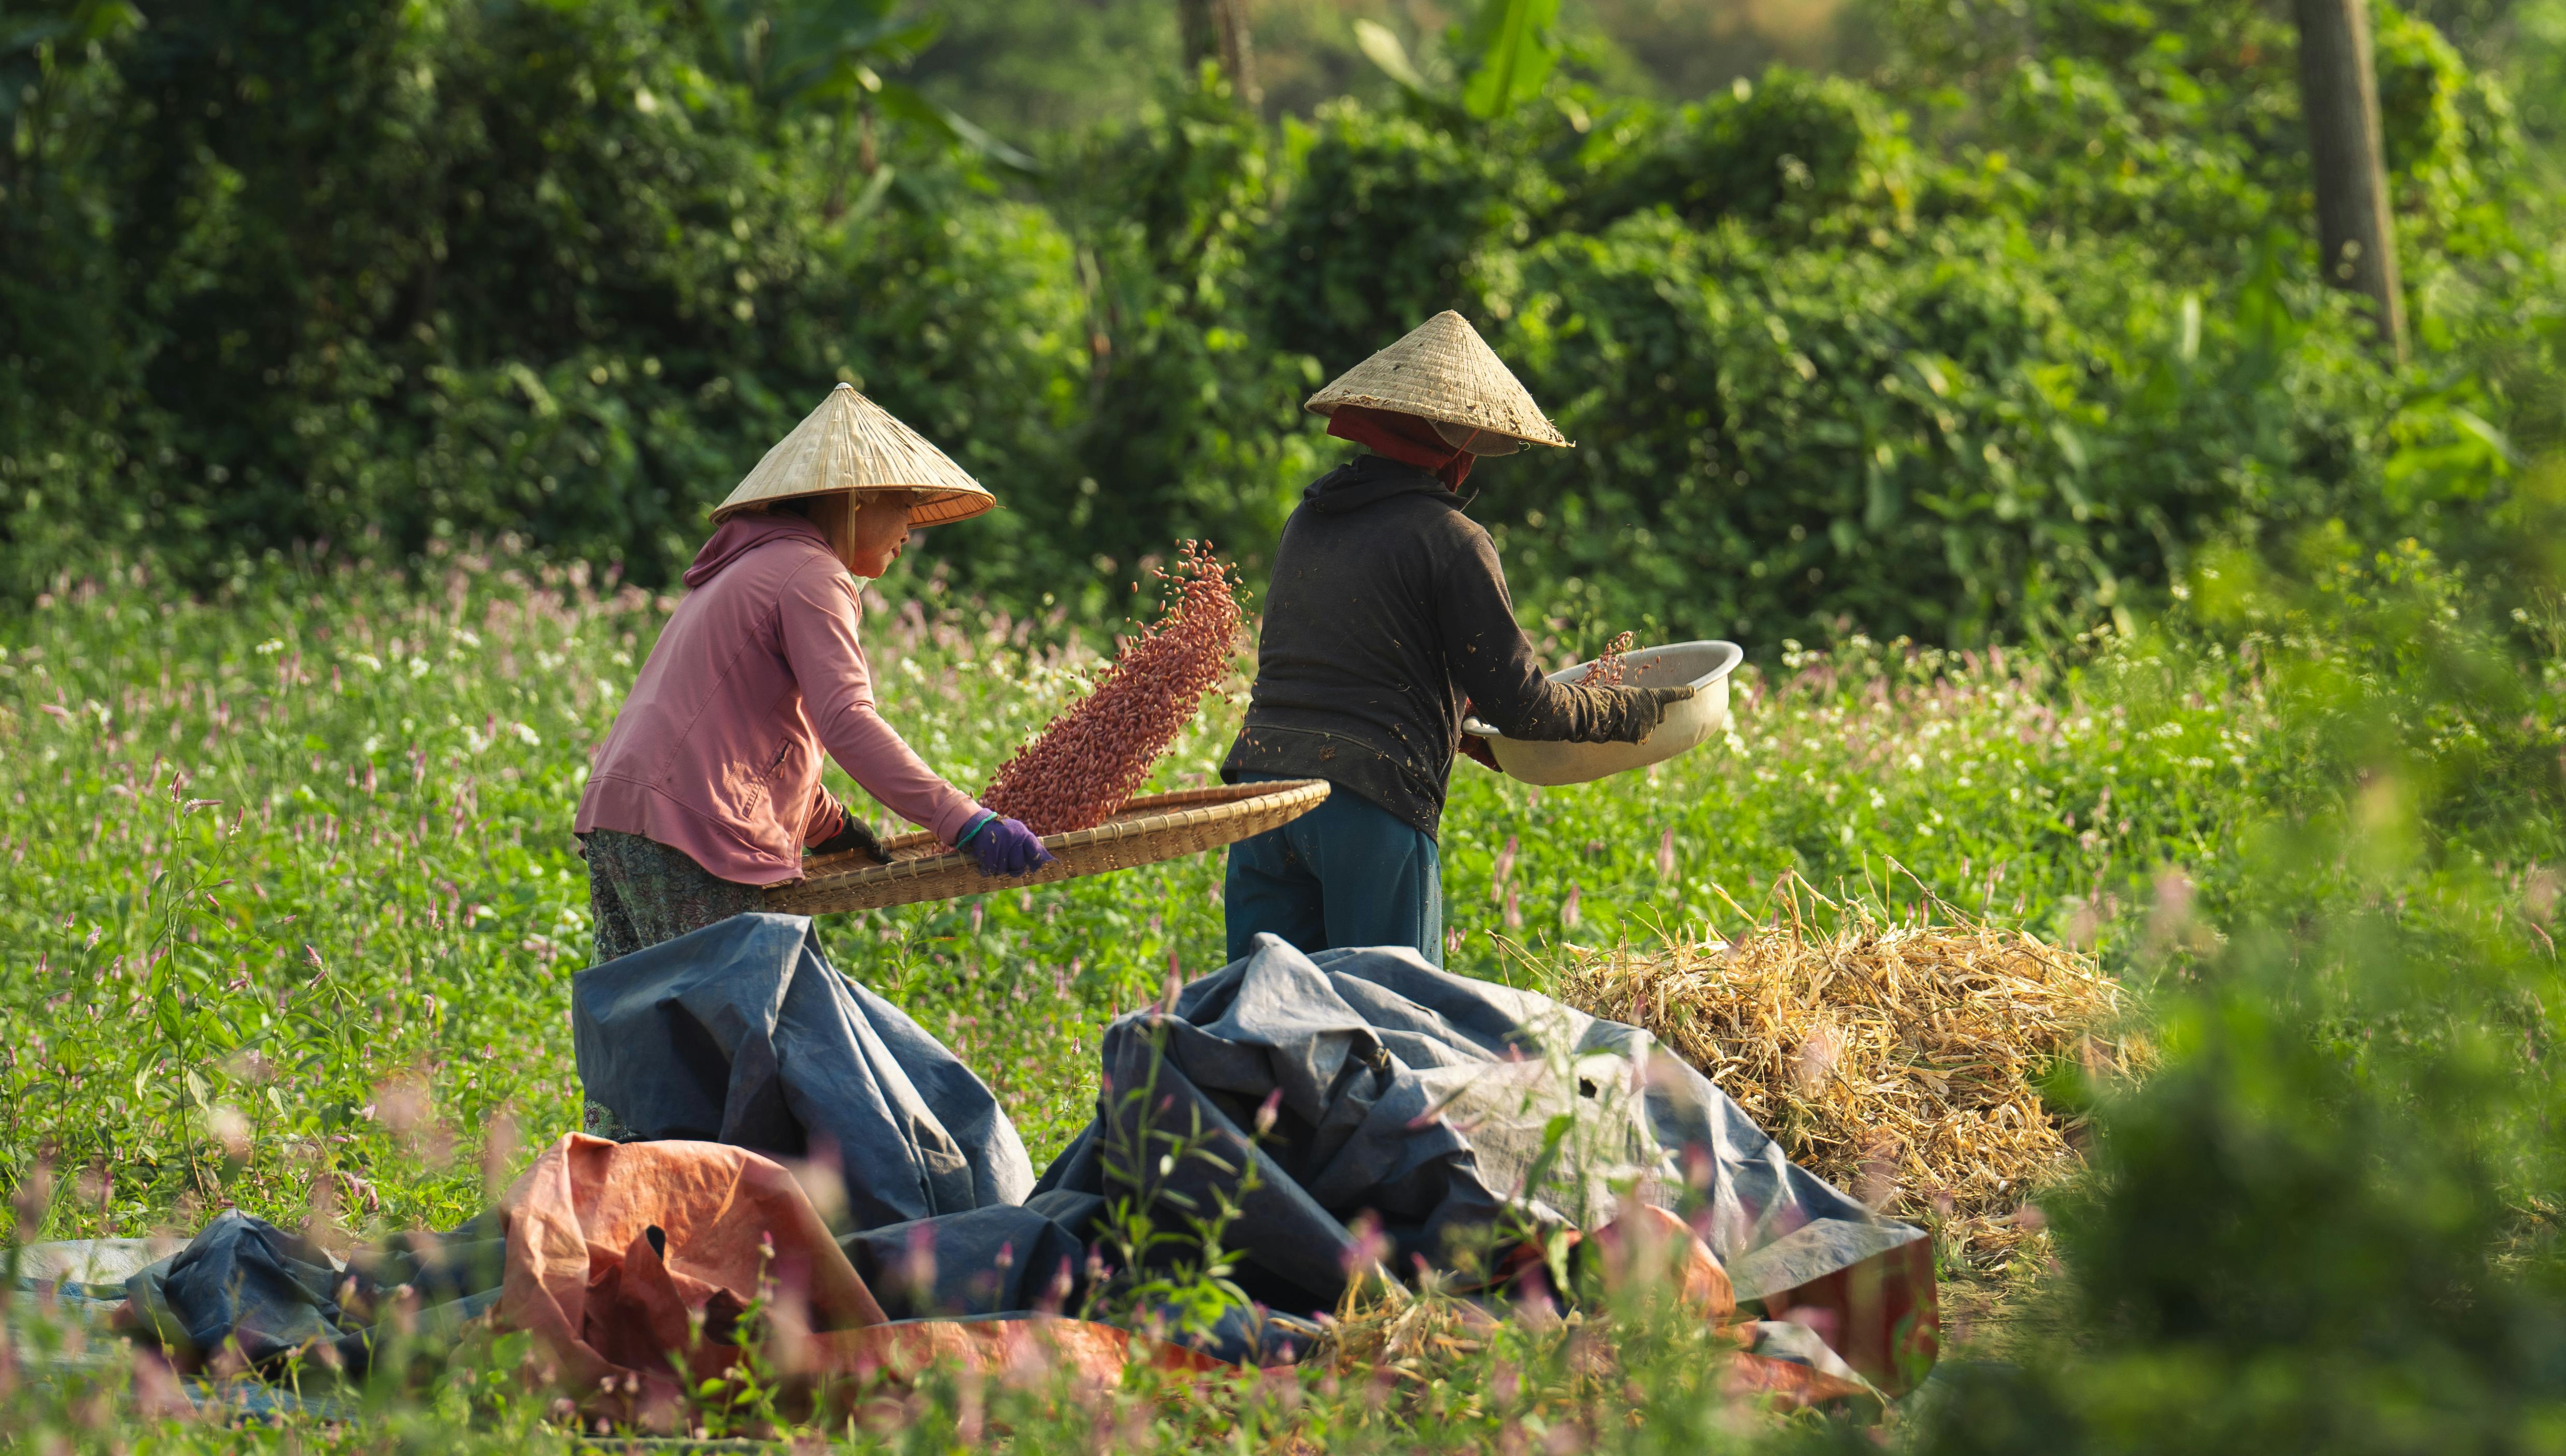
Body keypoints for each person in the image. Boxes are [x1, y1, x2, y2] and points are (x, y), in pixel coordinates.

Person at [573, 385, 1054, 1132]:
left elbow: (737, 724)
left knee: (638, 1066)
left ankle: (600, 1229)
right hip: (687, 833)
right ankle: (711, 1237)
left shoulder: (754, 566)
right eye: (901, 507)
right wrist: (966, 822)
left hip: (623, 817)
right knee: (722, 1073)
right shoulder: (812, 573)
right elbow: (847, 723)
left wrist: (827, 823)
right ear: (857, 501)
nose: (907, 532)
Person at [1220, 312, 1693, 966]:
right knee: (1392, 1020)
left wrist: (1455, 723)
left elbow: (1345, 667)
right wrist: (1630, 709)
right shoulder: (1451, 539)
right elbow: (1523, 704)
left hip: (1259, 791)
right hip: (1366, 800)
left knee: (1260, 1020)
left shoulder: (1308, 520)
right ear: (1455, 449)